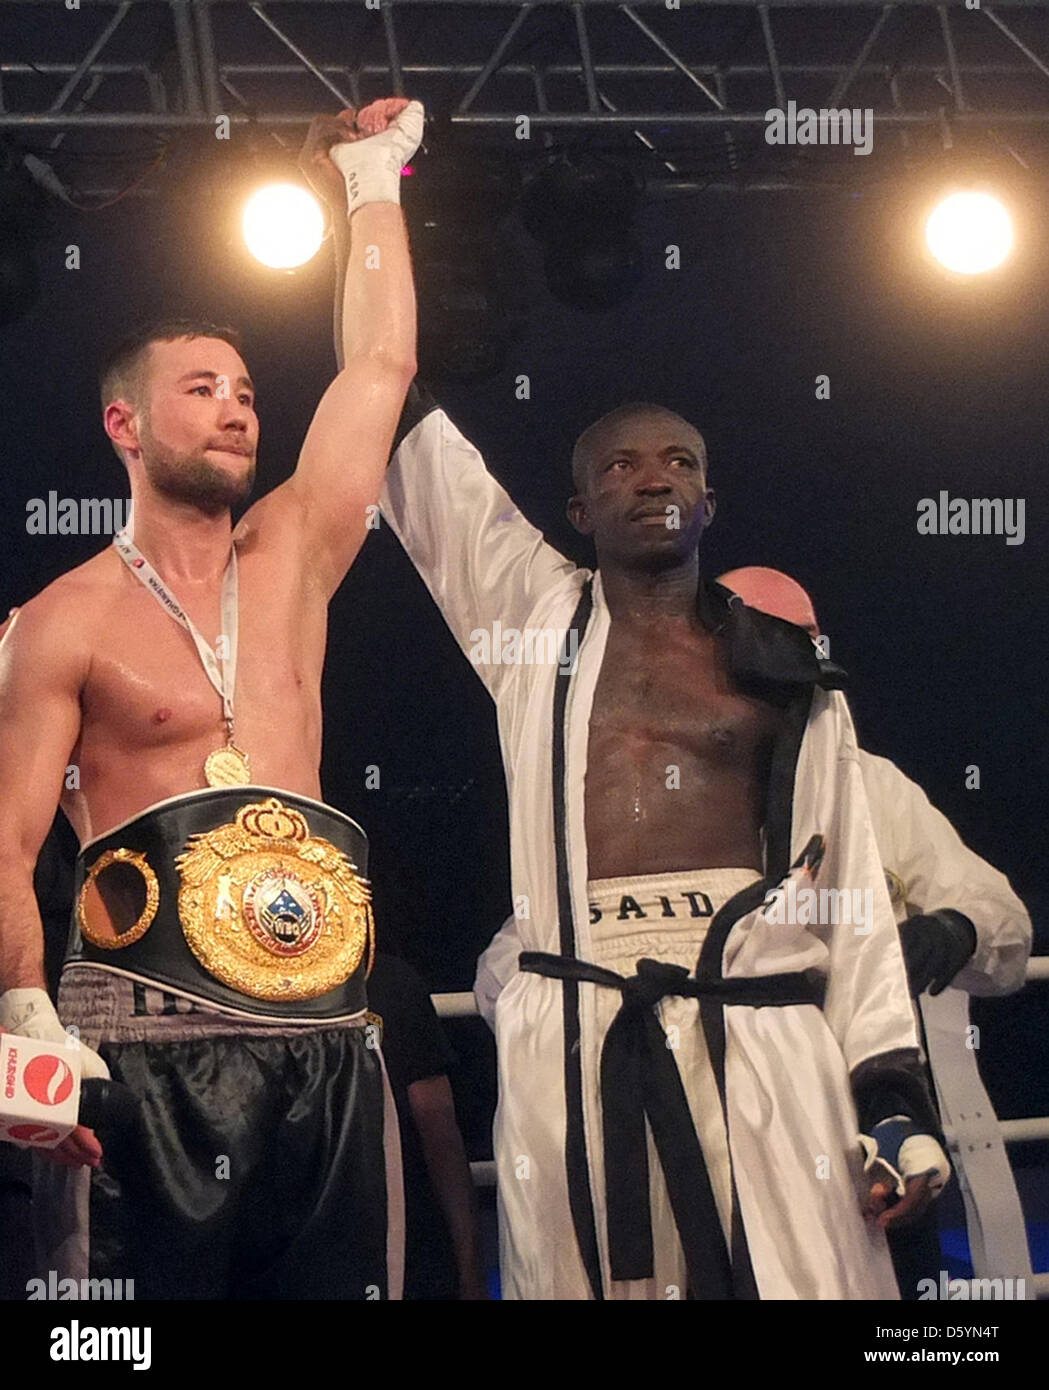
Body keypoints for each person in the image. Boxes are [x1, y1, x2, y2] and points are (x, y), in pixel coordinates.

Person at [298, 226, 949, 1300]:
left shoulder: (784, 671)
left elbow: (854, 910)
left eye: (679, 462)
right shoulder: (528, 619)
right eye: (620, 463)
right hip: (579, 1019)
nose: (652, 479)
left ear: (709, 499)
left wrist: (891, 1097)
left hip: (764, 1025)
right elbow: (388, 402)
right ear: (576, 506)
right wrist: (364, 198)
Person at [0, 98, 422, 1298]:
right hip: (139, 1046)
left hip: (324, 1038)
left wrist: (371, 181)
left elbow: (379, 364)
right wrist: (27, 1020)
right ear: (124, 424)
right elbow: (6, 837)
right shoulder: (61, 619)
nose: (237, 405)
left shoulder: (294, 557)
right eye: (200, 388)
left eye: (243, 387)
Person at [365, 953, 488, 1300]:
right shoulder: (235, 995)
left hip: (407, 1242)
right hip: (300, 1246)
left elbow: (439, 1131)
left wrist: (470, 1268)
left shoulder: (387, 979)